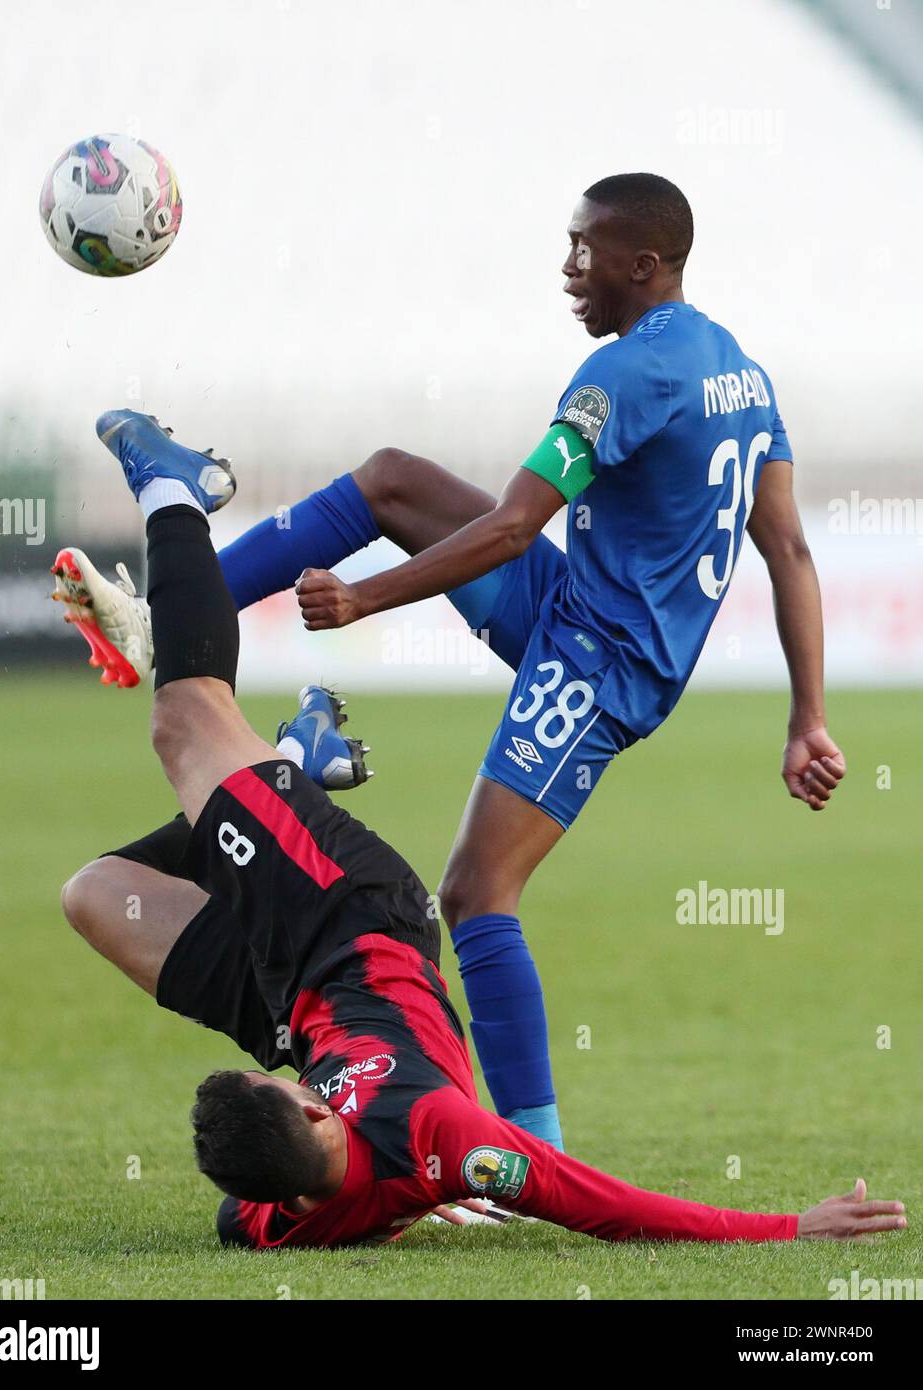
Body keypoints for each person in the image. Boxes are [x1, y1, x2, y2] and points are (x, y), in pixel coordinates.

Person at [57, 173, 845, 1155]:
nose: (568, 269)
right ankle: (163, 615)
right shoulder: (743, 371)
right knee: (393, 480)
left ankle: (537, 1154)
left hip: (600, 665)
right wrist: (807, 717)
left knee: (475, 893)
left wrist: (364, 597)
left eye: (584, 249)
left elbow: (516, 525)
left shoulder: (622, 382)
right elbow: (791, 551)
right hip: (578, 605)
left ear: (645, 265)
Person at [56, 409, 902, 1250]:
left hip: (293, 1001)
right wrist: (790, 1225)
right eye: (278, 1090)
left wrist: (372, 1199)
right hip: (350, 917)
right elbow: (602, 1204)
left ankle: (288, 765)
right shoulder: (444, 1140)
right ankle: (175, 489)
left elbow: (237, 1215)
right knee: (183, 720)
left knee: (95, 896)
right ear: (312, 1106)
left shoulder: (284, 1219)